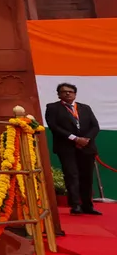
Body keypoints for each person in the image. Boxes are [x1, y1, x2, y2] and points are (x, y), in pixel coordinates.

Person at [45, 82, 102, 215]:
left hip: (87, 147)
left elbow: (95, 126)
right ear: (59, 95)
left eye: (70, 91)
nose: (68, 93)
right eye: (64, 91)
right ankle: (75, 205)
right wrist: (75, 138)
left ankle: (88, 205)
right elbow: (54, 127)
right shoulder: (53, 108)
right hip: (66, 147)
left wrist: (86, 139)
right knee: (72, 175)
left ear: (75, 94)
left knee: (86, 176)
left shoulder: (85, 108)